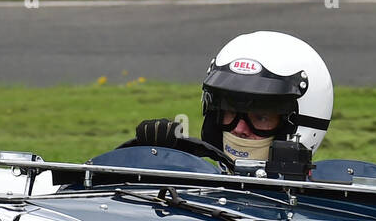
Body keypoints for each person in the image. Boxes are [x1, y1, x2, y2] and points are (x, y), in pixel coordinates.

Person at [134, 31, 334, 169]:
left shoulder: (323, 210)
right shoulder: (192, 193)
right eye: (229, 112)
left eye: (260, 117)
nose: (239, 129)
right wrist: (158, 161)